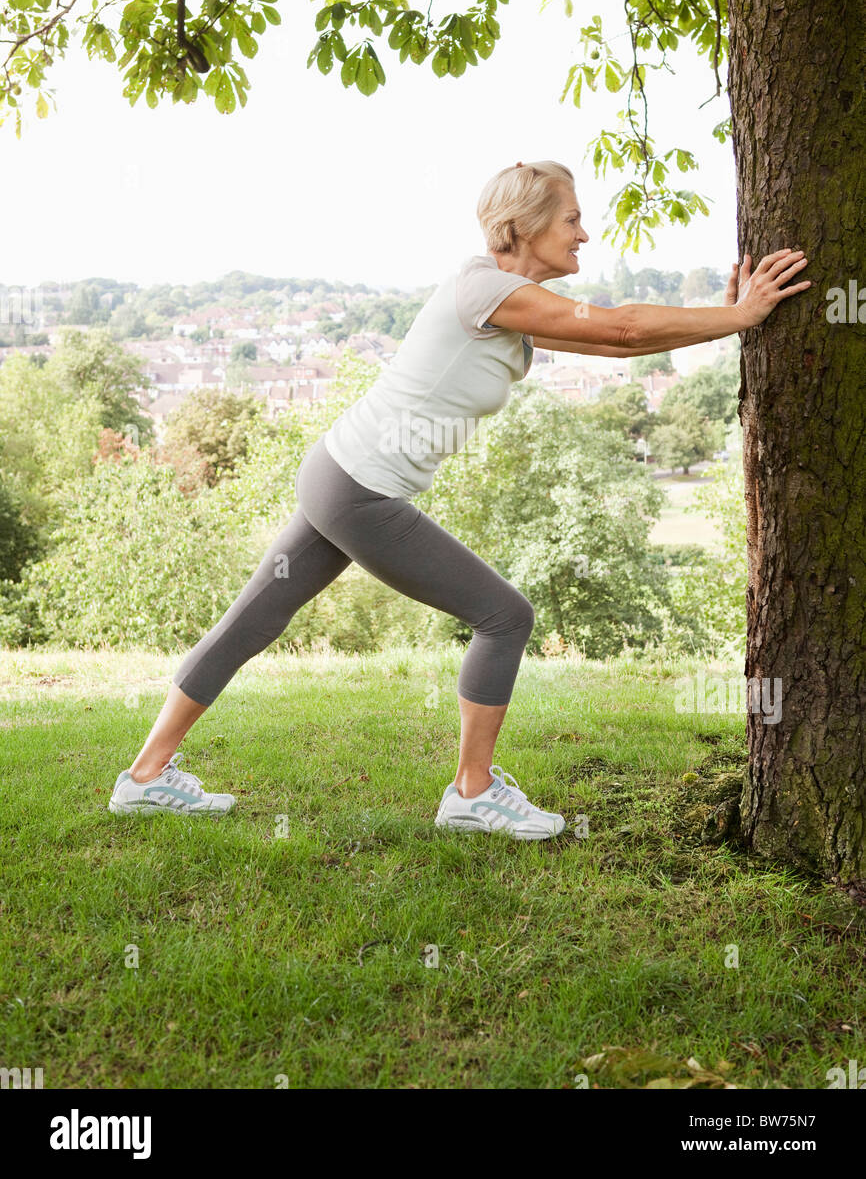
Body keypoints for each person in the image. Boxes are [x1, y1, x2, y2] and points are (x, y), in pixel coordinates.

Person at [108, 160, 810, 838]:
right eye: (572, 219)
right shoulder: (486, 291)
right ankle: (472, 793)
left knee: (251, 621)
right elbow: (619, 325)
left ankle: (144, 777)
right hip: (359, 490)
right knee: (504, 616)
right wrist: (744, 316)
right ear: (525, 225)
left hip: (339, 473)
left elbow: (621, 344)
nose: (584, 234)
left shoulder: (510, 303)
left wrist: (725, 320)